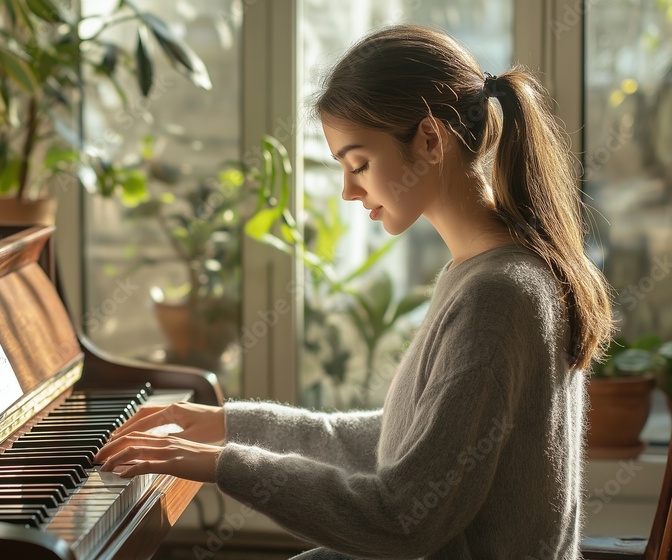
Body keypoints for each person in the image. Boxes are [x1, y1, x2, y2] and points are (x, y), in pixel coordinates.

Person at [94, 24, 614, 559]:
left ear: (430, 141)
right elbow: (401, 444)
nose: (348, 190)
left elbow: (403, 517)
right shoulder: (490, 272)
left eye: (359, 163)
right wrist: (229, 426)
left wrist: (221, 463)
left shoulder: (498, 295)